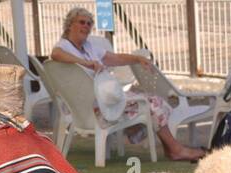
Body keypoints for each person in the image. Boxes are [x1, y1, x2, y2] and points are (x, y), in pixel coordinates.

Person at [49, 7, 204, 162]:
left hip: (102, 101)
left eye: (89, 24)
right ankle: (174, 149)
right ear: (70, 25)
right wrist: (86, 63)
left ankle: (162, 144)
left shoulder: (88, 47)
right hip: (95, 107)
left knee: (150, 101)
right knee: (153, 102)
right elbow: (55, 54)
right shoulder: (64, 46)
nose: (86, 26)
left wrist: (137, 59)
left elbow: (114, 58)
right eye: (81, 22)